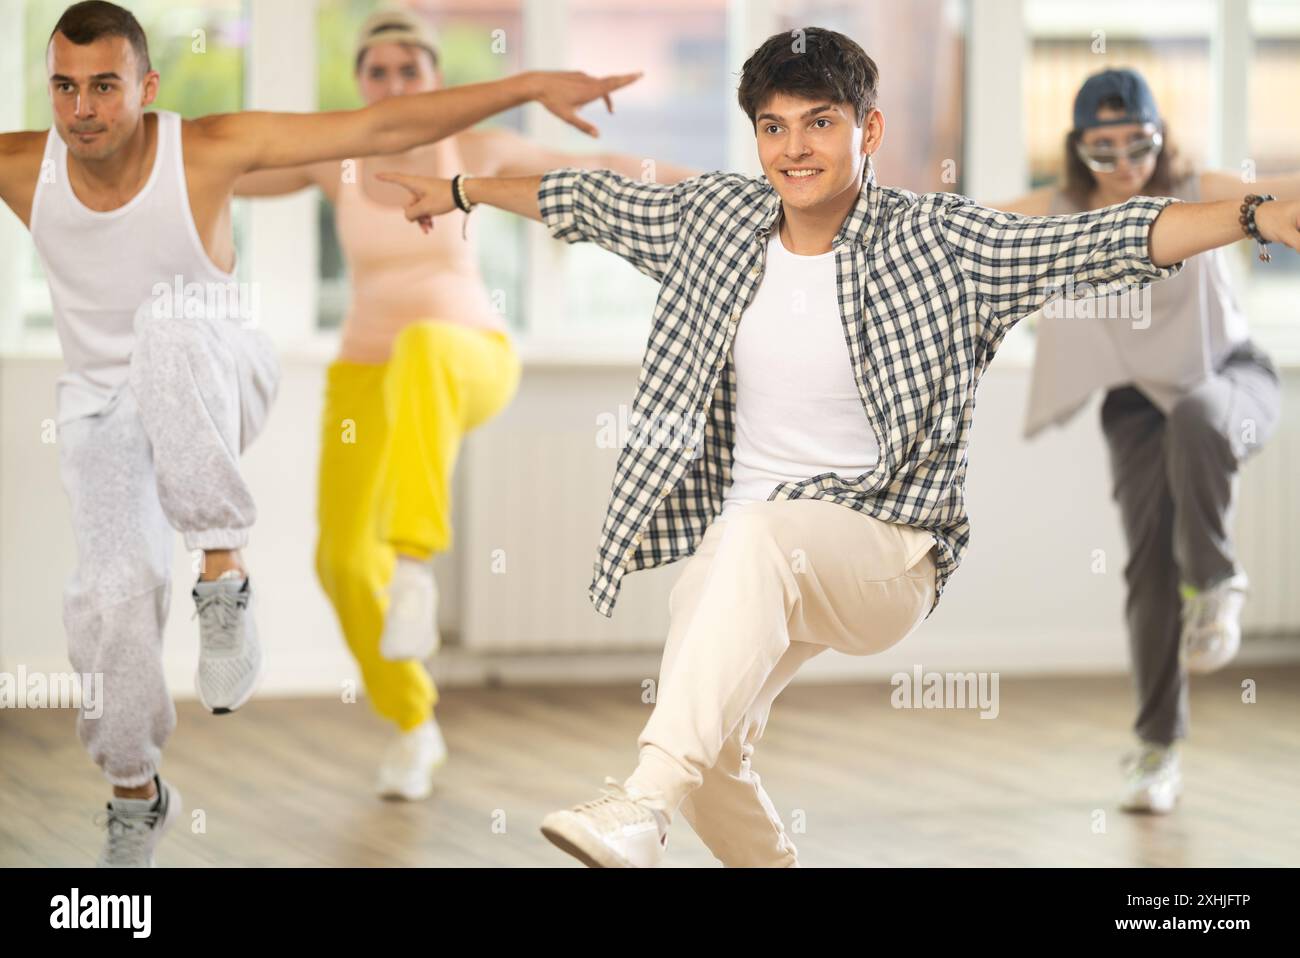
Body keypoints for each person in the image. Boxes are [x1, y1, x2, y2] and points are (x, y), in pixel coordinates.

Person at [383, 28, 1294, 867]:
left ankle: (638, 804)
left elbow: (1104, 236)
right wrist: (461, 191)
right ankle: (706, 820)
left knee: (742, 568)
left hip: (886, 553)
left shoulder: (938, 242)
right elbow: (582, 197)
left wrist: (1252, 216)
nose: (795, 149)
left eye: (819, 123)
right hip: (754, 554)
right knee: (709, 743)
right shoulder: (716, 224)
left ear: (869, 128)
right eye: (773, 128)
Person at [0, 0, 638, 867]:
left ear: (146, 89)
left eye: (105, 87)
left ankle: (224, 575)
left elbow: (387, 125)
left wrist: (531, 82)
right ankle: (134, 794)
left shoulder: (211, 146)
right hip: (103, 411)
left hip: (215, 371)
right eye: (66, 89)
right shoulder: (24, 165)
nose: (83, 110)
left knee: (167, 325)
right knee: (110, 602)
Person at [233, 9, 695, 803]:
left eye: (408, 71)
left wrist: (756, 189)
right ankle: (415, 725)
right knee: (340, 562)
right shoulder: (335, 162)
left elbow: (603, 167)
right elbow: (227, 170)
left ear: (435, 81)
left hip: (469, 355)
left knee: (423, 347)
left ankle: (415, 564)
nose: (393, 84)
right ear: (360, 86)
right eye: (377, 72)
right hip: (365, 380)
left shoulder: (471, 150)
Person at [992, 68, 1295, 814]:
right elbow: (962, 218)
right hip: (1135, 408)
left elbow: (1283, 187)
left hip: (1230, 381)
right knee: (1148, 569)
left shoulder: (1197, 187)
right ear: (1078, 147)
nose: (1124, 162)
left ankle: (1218, 583)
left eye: (1139, 143)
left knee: (1197, 413)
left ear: (1160, 140)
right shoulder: (1062, 209)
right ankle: (1157, 752)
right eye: (1104, 148)